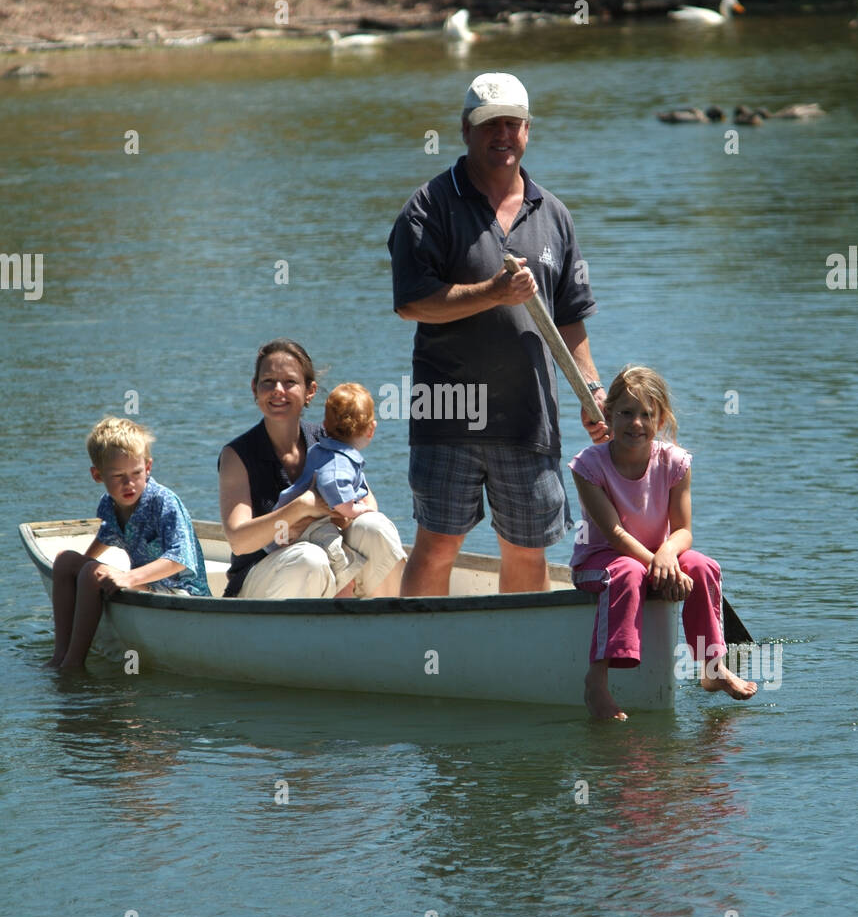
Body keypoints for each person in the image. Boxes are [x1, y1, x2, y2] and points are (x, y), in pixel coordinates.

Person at [388, 71, 608, 598]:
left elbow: (570, 316)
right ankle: (422, 658)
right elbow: (412, 304)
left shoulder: (554, 214)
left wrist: (591, 390)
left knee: (527, 548)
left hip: (528, 414)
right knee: (439, 542)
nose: (501, 135)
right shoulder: (429, 206)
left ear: (528, 130)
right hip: (447, 410)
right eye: (489, 125)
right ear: (466, 130)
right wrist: (493, 291)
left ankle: (518, 665)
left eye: (512, 124)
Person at [569, 365, 758, 720]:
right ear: (607, 414)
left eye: (646, 414)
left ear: (661, 419)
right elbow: (615, 534)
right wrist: (658, 563)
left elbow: (684, 530)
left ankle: (712, 668)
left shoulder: (674, 462)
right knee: (626, 571)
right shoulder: (589, 466)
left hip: (657, 558)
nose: (636, 423)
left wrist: (668, 552)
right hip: (600, 563)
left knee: (702, 566)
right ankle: (596, 683)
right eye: (626, 413)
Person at [218, 340, 405, 600]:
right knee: (310, 558)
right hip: (260, 582)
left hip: (328, 565)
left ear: (310, 391)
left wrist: (340, 515)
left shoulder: (328, 437)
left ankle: (386, 625)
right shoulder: (237, 455)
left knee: (375, 527)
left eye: (290, 382)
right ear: (254, 388)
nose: (278, 390)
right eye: (268, 381)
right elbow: (239, 541)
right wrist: (302, 508)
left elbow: (367, 501)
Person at [50, 416, 210, 669]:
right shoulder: (108, 504)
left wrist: (128, 578)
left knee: (92, 573)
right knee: (65, 560)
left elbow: (180, 560)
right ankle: (59, 654)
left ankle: (73, 664)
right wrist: (79, 564)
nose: (129, 483)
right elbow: (107, 534)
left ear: (148, 467)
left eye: (136, 473)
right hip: (147, 585)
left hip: (181, 594)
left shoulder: (163, 502)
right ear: (97, 475)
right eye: (118, 476)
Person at [266, 382, 379, 596]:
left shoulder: (324, 449)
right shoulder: (340, 461)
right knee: (339, 557)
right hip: (307, 524)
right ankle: (344, 595)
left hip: (290, 524)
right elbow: (332, 483)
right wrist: (352, 510)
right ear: (371, 429)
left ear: (325, 425)